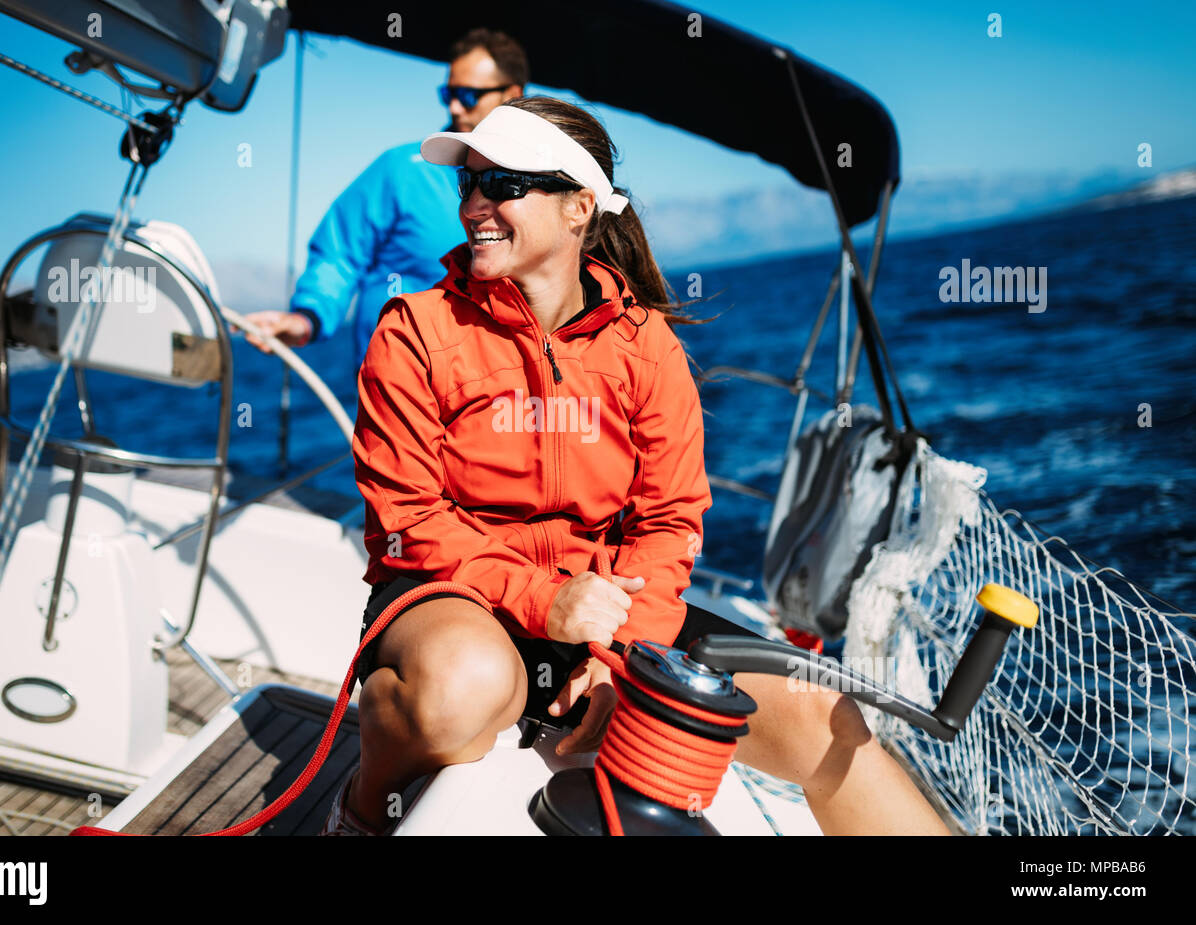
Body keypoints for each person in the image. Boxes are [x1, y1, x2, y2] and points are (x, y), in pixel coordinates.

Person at [328, 97, 950, 836]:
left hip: (604, 609)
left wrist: (616, 649)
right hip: (454, 594)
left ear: (578, 208)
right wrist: (544, 602)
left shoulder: (646, 345)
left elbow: (668, 521)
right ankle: (361, 813)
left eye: (504, 184)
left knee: (825, 717)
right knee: (466, 683)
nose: (476, 205)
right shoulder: (416, 332)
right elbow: (409, 527)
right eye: (469, 182)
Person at [239, 29, 528, 372]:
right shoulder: (401, 170)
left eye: (467, 95)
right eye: (447, 93)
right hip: (395, 388)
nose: (453, 105)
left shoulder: (543, 185)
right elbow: (341, 252)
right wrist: (307, 317)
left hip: (495, 396)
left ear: (512, 95)